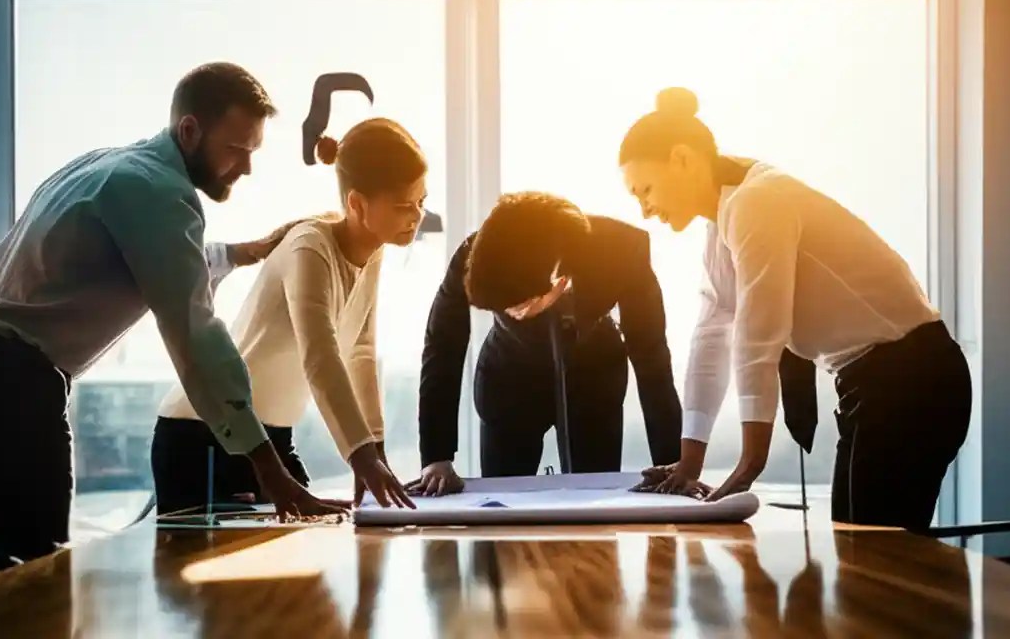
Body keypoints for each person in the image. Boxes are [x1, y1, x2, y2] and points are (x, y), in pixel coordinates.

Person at [0, 62, 346, 578]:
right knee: (30, 572)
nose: (245, 168)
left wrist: (244, 252)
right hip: (8, 384)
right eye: (237, 150)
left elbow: (156, 259)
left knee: (1, 563)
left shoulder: (112, 167)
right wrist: (269, 470)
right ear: (190, 130)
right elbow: (197, 339)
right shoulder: (160, 194)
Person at [622, 87, 971, 531]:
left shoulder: (757, 200)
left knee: (875, 565)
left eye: (645, 189)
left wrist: (751, 461)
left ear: (683, 159)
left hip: (911, 381)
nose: (645, 210)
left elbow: (758, 334)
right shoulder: (724, 217)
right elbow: (712, 335)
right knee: (857, 560)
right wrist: (690, 462)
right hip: (873, 386)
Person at [154, 116, 426, 513]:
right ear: (356, 203)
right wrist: (361, 455)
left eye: (421, 202)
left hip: (273, 438)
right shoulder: (309, 247)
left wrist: (375, 450)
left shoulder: (374, 250)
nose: (416, 216)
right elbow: (321, 356)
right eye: (404, 205)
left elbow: (361, 353)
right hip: (203, 436)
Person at [411, 192, 682, 496]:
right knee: (503, 507)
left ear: (559, 281)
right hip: (507, 378)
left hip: (595, 377)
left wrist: (674, 462)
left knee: (594, 507)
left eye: (520, 306)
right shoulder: (475, 255)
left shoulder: (622, 249)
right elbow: (443, 346)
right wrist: (436, 458)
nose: (513, 313)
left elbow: (651, 356)